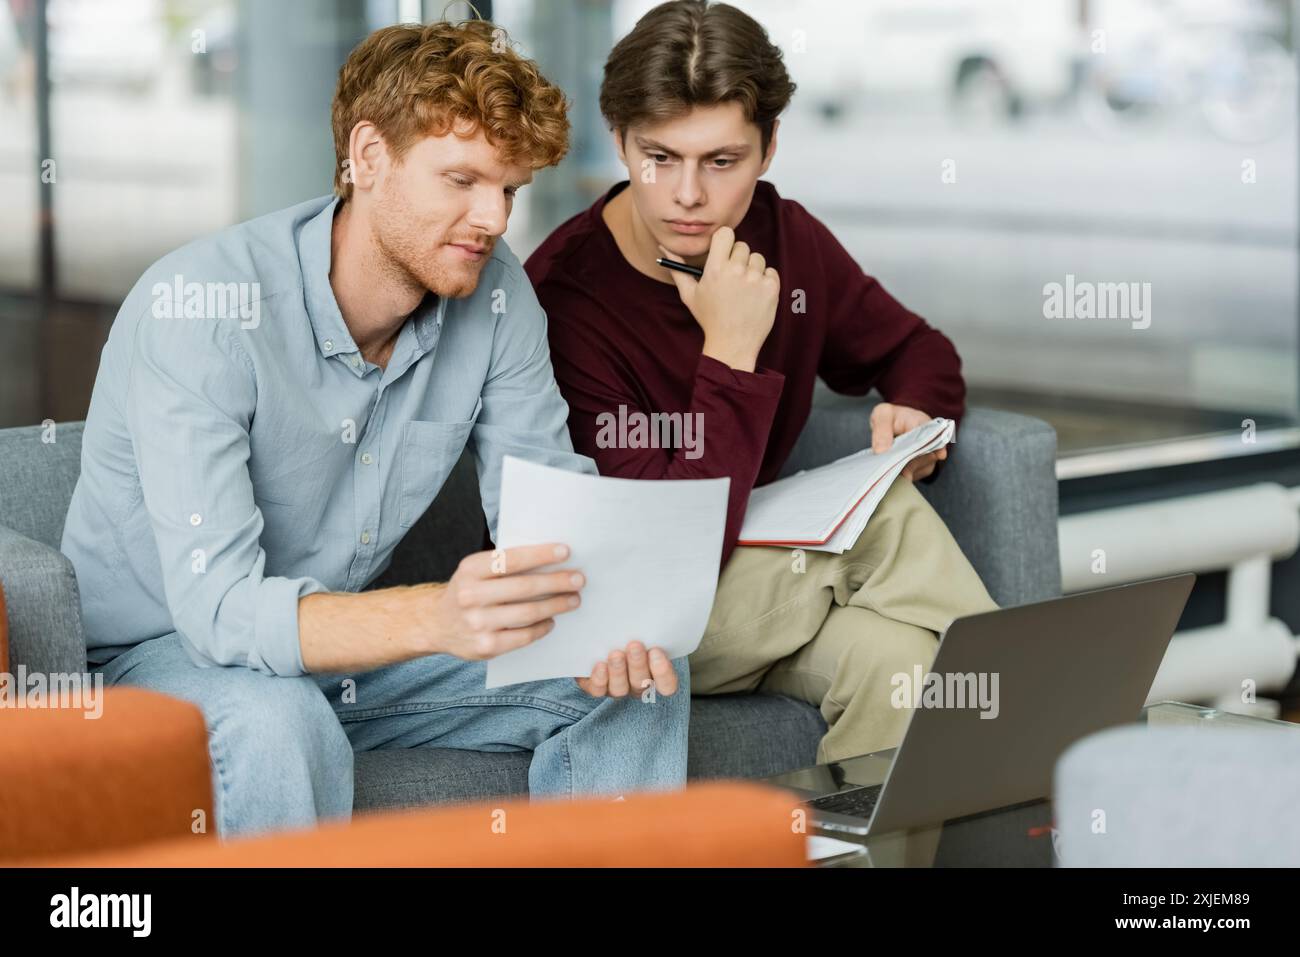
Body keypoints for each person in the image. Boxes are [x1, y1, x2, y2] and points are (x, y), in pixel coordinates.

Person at [61, 20, 687, 839]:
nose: (493, 217)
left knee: (642, 676)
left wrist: (607, 620)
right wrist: (436, 615)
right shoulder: (201, 311)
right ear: (367, 156)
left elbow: (550, 521)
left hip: (344, 656)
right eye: (462, 179)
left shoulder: (497, 300)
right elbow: (218, 610)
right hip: (165, 656)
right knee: (279, 720)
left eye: (509, 188)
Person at [527, 0, 999, 765]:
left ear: (769, 146)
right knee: (882, 520)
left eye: (721, 161)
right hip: (621, 623)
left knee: (902, 667)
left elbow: (919, 349)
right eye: (660, 157)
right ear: (619, 141)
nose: (688, 194)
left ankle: (889, 825)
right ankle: (1049, 751)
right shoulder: (565, 297)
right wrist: (730, 351)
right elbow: (662, 550)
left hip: (750, 594)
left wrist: (914, 409)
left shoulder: (785, 239)